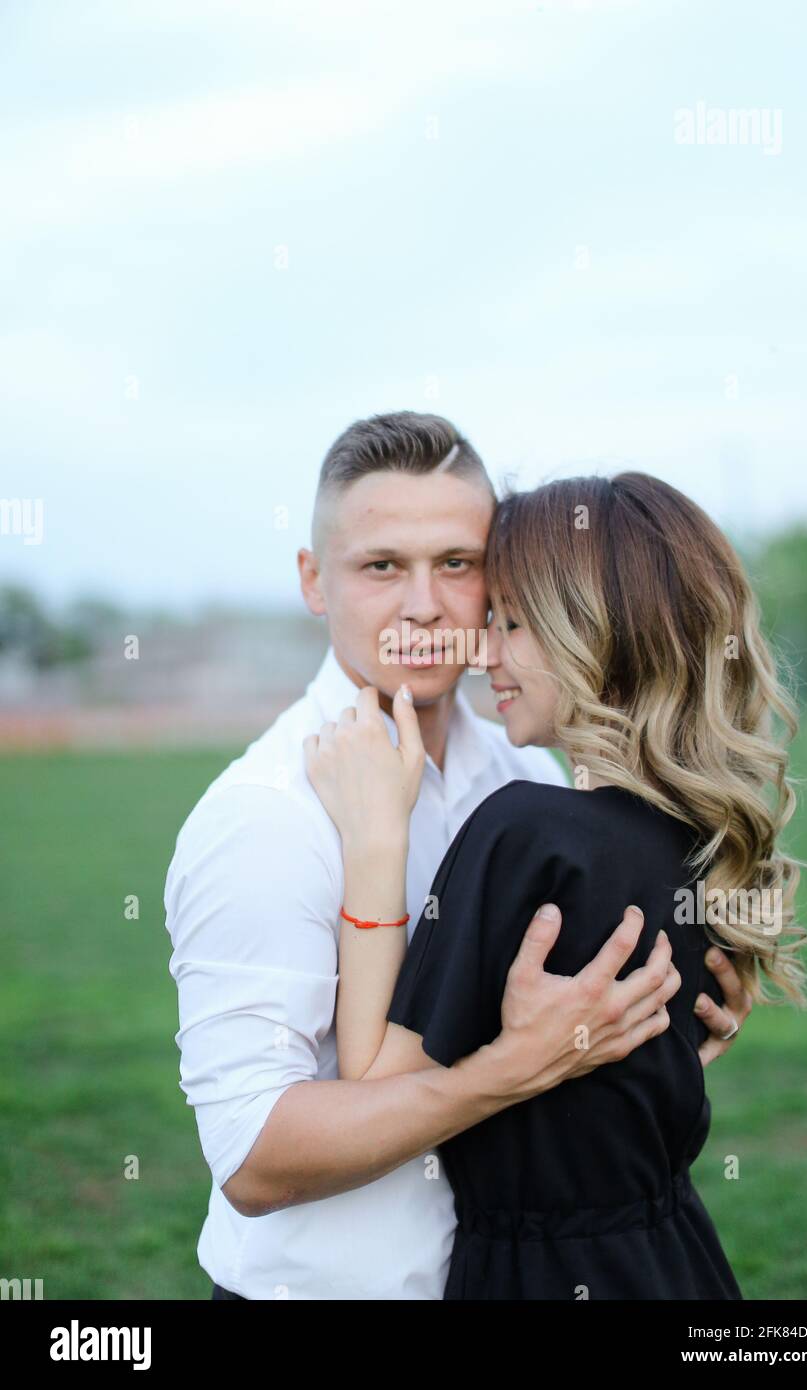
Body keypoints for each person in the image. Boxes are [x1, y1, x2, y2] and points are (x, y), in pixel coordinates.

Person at [165, 414, 750, 1300]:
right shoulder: (264, 817)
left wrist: (677, 1018)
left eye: (456, 563)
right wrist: (511, 1069)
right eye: (380, 567)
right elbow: (254, 1161)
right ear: (314, 581)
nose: (424, 606)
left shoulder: (531, 769)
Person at [304, 469, 807, 1300]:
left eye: (513, 624)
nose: (484, 652)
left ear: (595, 633)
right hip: (678, 1259)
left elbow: (371, 1090)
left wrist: (375, 838)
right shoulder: (698, 830)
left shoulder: (526, 834)